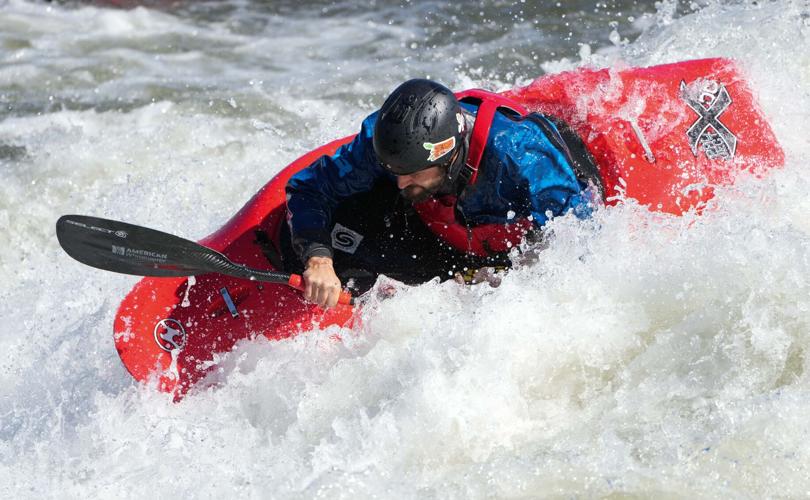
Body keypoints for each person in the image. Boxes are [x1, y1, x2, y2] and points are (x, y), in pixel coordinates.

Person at [284, 79, 602, 308]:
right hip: (442, 231)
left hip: (506, 243)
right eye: (396, 171)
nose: (400, 182)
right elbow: (308, 187)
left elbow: (581, 240)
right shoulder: (384, 145)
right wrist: (319, 259)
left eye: (412, 173)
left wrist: (522, 289)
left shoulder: (523, 160)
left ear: (448, 156)